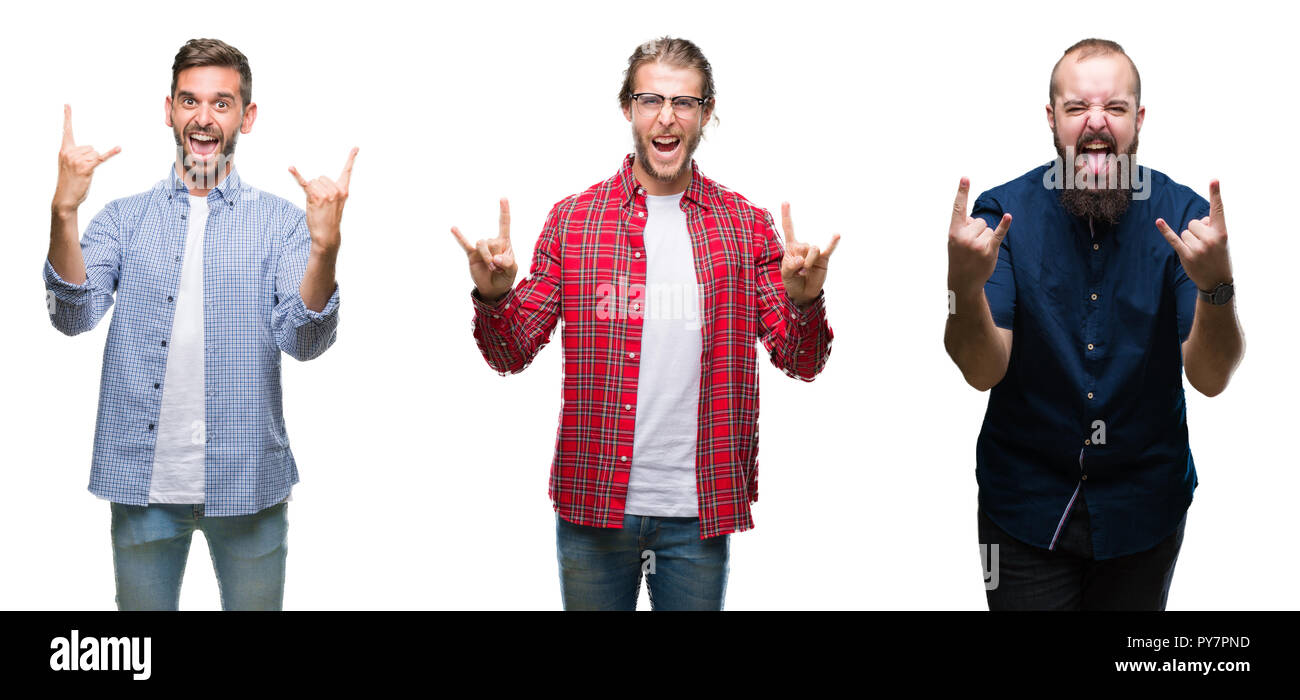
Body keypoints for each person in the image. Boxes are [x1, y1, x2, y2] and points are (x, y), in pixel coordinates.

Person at [452, 36, 838, 610]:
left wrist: (806, 301)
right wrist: (493, 295)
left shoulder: (744, 225)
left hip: (698, 512)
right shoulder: (575, 219)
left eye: (684, 102)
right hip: (594, 506)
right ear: (628, 108)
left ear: (705, 114)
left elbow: (802, 362)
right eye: (650, 99)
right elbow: (510, 353)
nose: (666, 116)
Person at [44, 38, 357, 610]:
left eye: (222, 102)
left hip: (249, 484)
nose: (204, 117)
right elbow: (74, 314)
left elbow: (305, 339)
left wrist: (324, 249)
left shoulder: (281, 223)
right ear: (169, 111)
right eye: (190, 102)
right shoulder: (123, 217)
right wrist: (64, 213)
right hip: (142, 487)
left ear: (246, 116)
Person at [945, 38, 1244, 610]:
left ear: (1139, 119)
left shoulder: (1184, 218)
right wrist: (962, 284)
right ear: (1052, 118)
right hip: (1023, 511)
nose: (1096, 124)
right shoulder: (1000, 217)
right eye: (1078, 108)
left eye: (1115, 108)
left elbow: (1210, 377)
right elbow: (982, 370)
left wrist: (1215, 286)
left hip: (1144, 511)